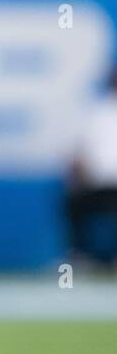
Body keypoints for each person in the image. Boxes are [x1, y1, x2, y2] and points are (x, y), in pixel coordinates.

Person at [66, 66, 117, 268]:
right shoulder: (95, 114)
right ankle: (80, 254)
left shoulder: (93, 113)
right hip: (98, 187)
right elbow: (77, 157)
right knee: (72, 200)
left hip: (101, 186)